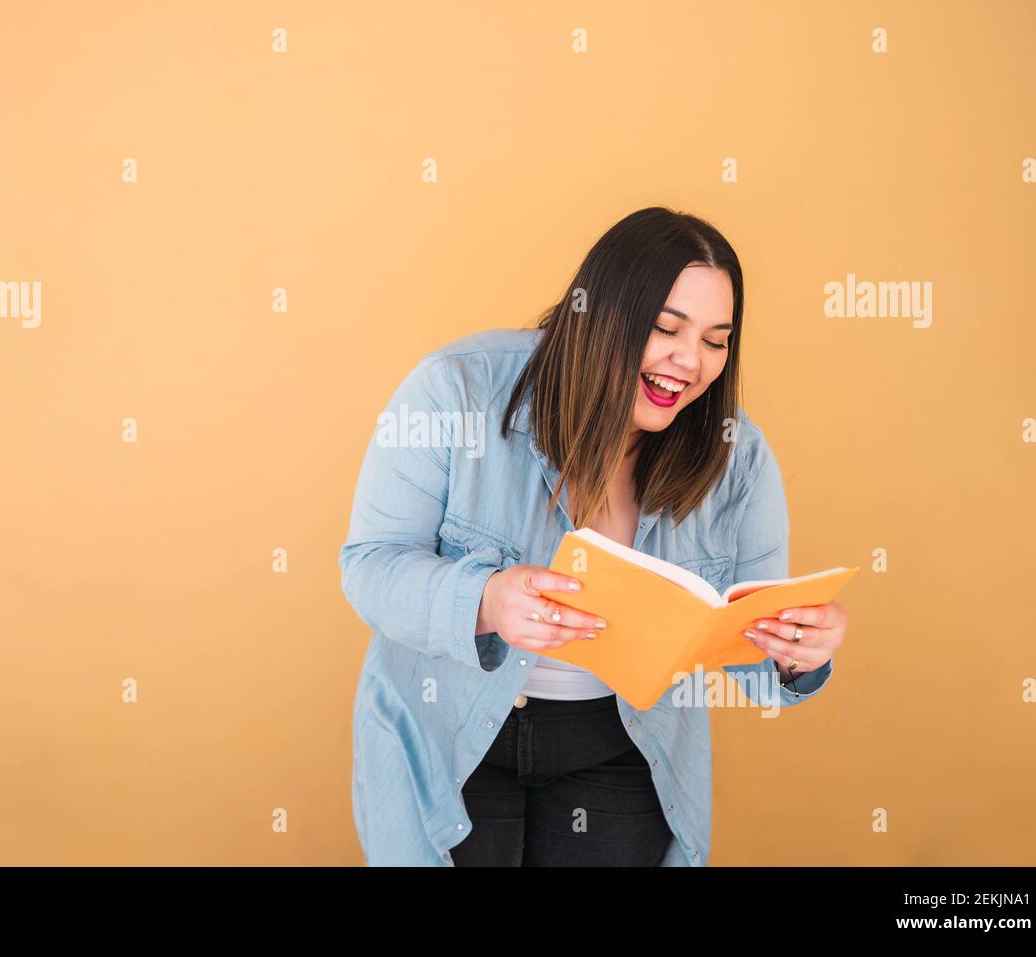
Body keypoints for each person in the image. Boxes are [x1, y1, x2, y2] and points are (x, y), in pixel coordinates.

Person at [338, 206, 850, 866]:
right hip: (446, 737)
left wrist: (797, 651)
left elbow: (750, 654)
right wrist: (488, 600)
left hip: (617, 747)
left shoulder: (736, 456)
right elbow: (370, 568)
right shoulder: (455, 389)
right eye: (665, 328)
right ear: (600, 313)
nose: (689, 362)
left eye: (716, 340)